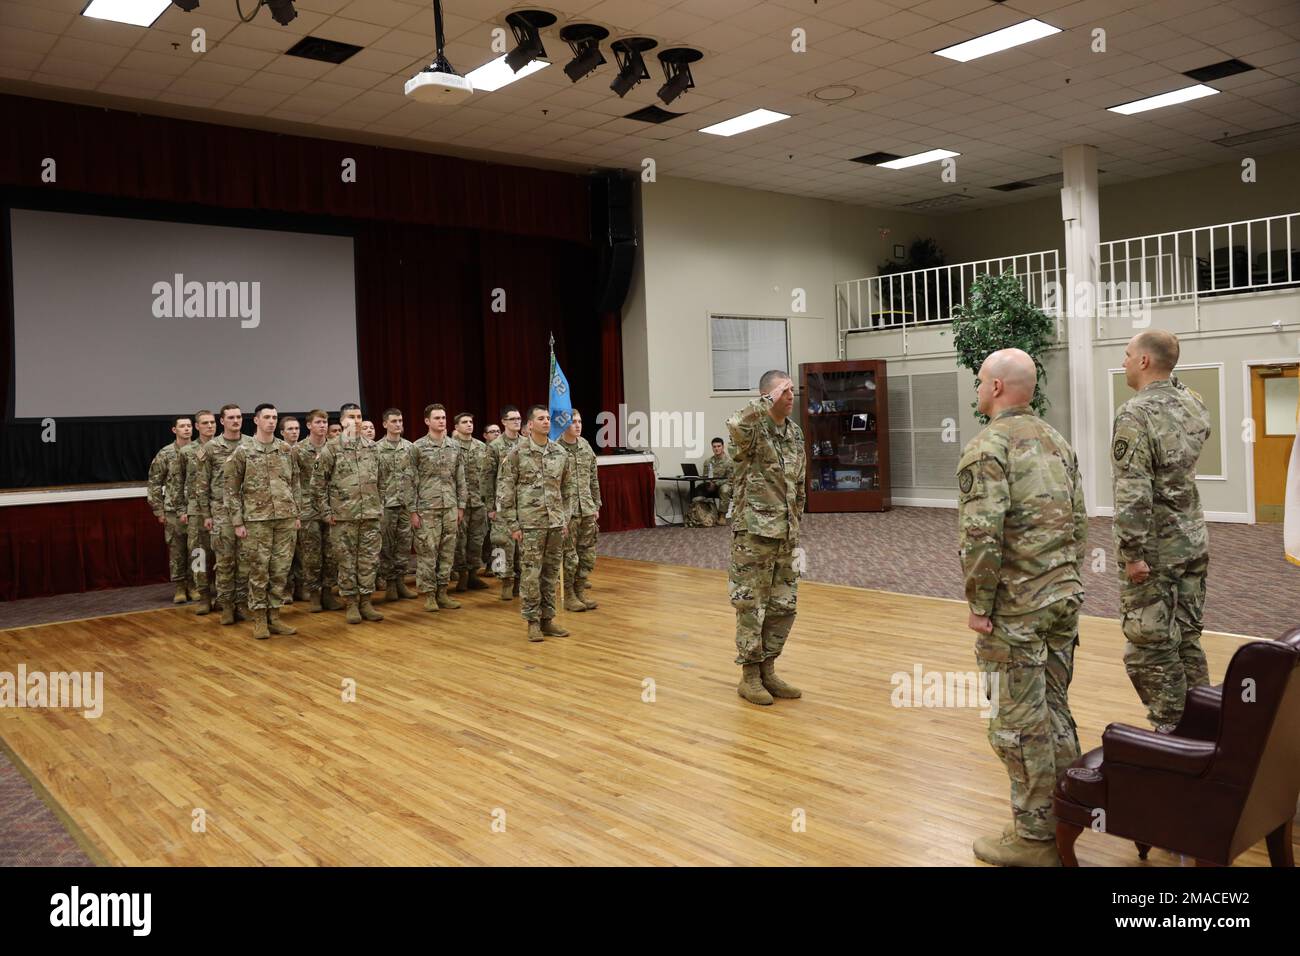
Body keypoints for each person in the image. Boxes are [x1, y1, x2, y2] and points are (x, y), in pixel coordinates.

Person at [957, 348, 1087, 868]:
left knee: (1017, 722)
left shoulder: (987, 448)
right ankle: (1067, 817)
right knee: (1054, 708)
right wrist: (1067, 579)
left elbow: (981, 538)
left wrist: (978, 605)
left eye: (979, 382)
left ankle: (1035, 840)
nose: (978, 389)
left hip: (1017, 609)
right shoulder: (1058, 442)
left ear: (993, 387)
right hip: (1062, 598)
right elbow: (1079, 521)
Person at [1112, 329, 1212, 732]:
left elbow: (1133, 491)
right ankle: (1206, 722)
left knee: (1149, 648)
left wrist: (1131, 553)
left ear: (1144, 362)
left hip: (1155, 550)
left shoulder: (1134, 414)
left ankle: (1172, 730)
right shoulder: (1193, 402)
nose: (1123, 361)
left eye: (1127, 353)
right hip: (1192, 539)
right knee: (1187, 636)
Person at [728, 370, 806, 706]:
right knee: (750, 606)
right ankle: (749, 676)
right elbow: (734, 424)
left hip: (786, 534)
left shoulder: (794, 433)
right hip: (753, 534)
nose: (791, 396)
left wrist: (797, 520)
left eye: (792, 390)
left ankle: (769, 669)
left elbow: (799, 482)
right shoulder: (752, 430)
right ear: (767, 396)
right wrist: (764, 403)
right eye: (784, 391)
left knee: (783, 606)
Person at [496, 404, 575, 642]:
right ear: (529, 425)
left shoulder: (560, 453)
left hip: (555, 524)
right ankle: (532, 621)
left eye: (548, 418)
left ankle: (548, 619)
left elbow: (568, 489)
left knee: (551, 574)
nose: (546, 422)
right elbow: (505, 491)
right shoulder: (517, 454)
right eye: (541, 418)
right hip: (529, 525)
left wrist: (565, 518)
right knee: (531, 574)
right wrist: (513, 524)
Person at [225, 403, 301, 640]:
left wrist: (296, 513)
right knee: (259, 570)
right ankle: (259, 618)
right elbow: (231, 489)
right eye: (266, 417)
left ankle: (275, 616)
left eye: (274, 417)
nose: (271, 421)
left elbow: (295, 483)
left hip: (285, 519)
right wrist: (237, 522)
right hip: (257, 520)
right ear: (256, 420)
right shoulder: (243, 451)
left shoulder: (286, 450)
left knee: (280, 571)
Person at [312, 404, 388, 624]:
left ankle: (366, 601)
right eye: (351, 417)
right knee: (346, 562)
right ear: (342, 421)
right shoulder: (331, 449)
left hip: (370, 516)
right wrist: (326, 512)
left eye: (359, 416)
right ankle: (352, 604)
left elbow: (381, 480)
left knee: (369, 562)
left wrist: (379, 505)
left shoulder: (372, 448)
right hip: (343, 517)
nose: (356, 421)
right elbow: (317, 484)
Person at [196, 404, 255, 625]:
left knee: (245, 562)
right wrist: (206, 514)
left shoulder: (251, 444)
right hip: (221, 513)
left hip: (247, 511)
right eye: (231, 417)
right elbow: (201, 484)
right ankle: (226, 606)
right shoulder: (211, 448)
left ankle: (242, 604)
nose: (236, 421)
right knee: (225, 561)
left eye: (239, 417)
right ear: (222, 421)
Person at [409, 404, 466, 612]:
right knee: (427, 552)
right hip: (426, 508)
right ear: (427, 421)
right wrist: (413, 511)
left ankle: (443, 592)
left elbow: (460, 478)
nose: (442, 421)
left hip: (450, 507)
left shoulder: (454, 446)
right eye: (437, 418)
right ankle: (429, 595)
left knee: (447, 552)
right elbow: (410, 481)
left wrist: (461, 506)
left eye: (443, 417)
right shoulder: (417, 447)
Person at [294, 409, 339, 613]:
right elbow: (292, 480)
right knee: (311, 554)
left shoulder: (334, 448)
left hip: (331, 507)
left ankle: (328, 592)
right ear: (309, 425)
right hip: (308, 509)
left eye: (325, 422)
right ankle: (313, 593)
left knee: (331, 553)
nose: (323, 426)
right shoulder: (298, 450)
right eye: (319, 422)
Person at [147, 415, 193, 605]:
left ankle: (195, 585)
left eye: (189, 426)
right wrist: (158, 510)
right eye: (182, 426)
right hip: (173, 510)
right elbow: (154, 483)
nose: (187, 429)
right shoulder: (165, 454)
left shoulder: (199, 451)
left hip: (196, 509)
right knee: (177, 550)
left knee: (197, 550)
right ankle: (180, 586)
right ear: (174, 430)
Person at [559, 410, 601, 612]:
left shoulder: (585, 446)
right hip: (568, 512)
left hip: (587, 509)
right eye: (573, 422)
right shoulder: (556, 449)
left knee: (587, 554)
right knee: (570, 556)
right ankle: (569, 595)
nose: (577, 425)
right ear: (564, 425)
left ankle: (580, 590)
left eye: (580, 421)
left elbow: (593, 478)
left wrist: (596, 505)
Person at [375, 408, 416, 603]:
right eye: (393, 421)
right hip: (386, 505)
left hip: (406, 504)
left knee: (404, 544)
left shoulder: (410, 447)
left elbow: (416, 477)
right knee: (386, 546)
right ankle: (390, 583)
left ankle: (401, 581)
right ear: (385, 424)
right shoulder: (376, 449)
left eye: (400, 420)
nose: (398, 424)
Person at [486, 405, 524, 600]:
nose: (517, 421)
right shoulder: (495, 446)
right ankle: (505, 581)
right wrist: (490, 506)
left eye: (519, 418)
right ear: (503, 422)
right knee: (501, 543)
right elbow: (487, 477)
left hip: (524, 503)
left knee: (523, 545)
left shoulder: (527, 444)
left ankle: (520, 581)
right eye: (512, 419)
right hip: (501, 503)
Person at [451, 412, 491, 592]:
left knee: (477, 539)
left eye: (471, 422)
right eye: (464, 422)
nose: (469, 425)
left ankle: (474, 574)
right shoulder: (451, 447)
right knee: (459, 540)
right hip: (459, 503)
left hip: (478, 502)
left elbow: (488, 475)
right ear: (456, 427)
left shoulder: (481, 447)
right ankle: (462, 575)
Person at [182, 409, 218, 614]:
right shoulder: (187, 451)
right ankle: (203, 596)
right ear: (197, 426)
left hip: (221, 509)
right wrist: (181, 509)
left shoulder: (223, 447)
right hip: (196, 510)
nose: (210, 426)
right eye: (205, 423)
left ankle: (223, 595)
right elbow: (177, 483)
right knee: (199, 554)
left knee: (224, 555)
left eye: (212, 422)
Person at [700, 436, 734, 520]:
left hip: (725, 485)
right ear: (712, 448)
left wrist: (715, 484)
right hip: (710, 485)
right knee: (696, 489)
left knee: (725, 489)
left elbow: (730, 479)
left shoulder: (729, 461)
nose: (716, 449)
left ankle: (722, 515)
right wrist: (708, 484)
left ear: (723, 447)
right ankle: (700, 515)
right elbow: (705, 476)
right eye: (714, 447)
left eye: (719, 446)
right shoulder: (708, 461)